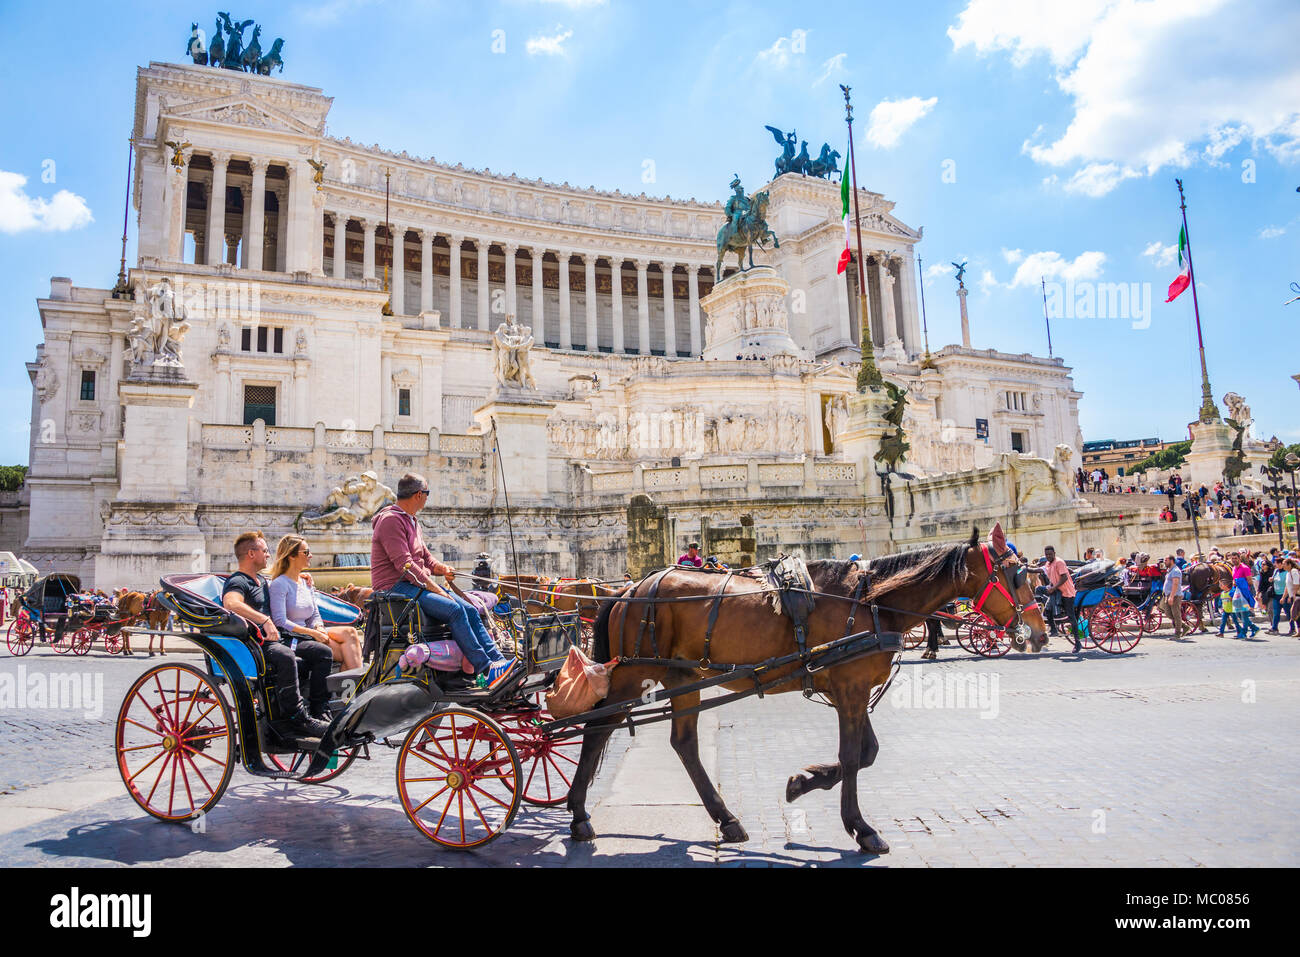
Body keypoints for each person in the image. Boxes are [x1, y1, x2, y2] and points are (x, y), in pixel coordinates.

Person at [371, 472, 518, 690]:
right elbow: (406, 566)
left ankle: (498, 662)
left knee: (468, 608)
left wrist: (442, 569)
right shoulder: (391, 521)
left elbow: (425, 558)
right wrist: (436, 589)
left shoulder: (411, 521)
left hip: (412, 585)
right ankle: (485, 669)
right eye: (427, 493)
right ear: (419, 494)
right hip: (397, 587)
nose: (427, 498)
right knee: (454, 610)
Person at [221, 531, 332, 736]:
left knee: (321, 653)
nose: (269, 555)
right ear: (251, 554)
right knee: (286, 656)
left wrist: (301, 576)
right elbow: (231, 603)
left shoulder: (260, 581)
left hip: (275, 639)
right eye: (265, 551)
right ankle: (296, 718)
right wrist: (264, 620)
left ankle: (319, 708)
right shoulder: (238, 581)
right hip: (254, 644)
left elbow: (284, 583)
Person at [269, 535, 362, 671]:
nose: (311, 555)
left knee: (351, 632)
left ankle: (352, 687)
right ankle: (355, 688)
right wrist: (313, 633)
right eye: (306, 552)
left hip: (310, 632)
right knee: (348, 653)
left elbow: (314, 615)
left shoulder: (305, 582)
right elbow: (280, 621)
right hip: (294, 637)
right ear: (291, 556)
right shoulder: (279, 584)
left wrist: (318, 627)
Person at [1041, 545, 1079, 652]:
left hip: (1066, 592)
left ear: (1054, 553)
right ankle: (1054, 630)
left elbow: (1064, 577)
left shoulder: (1059, 562)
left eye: (1050, 554)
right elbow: (1042, 571)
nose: (1048, 556)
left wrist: (1053, 588)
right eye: (1047, 554)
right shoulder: (1048, 564)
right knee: (1047, 610)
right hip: (1057, 592)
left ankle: (1077, 642)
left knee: (1071, 617)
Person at [1161, 556, 1185, 640]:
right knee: (1168, 613)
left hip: (1175, 595)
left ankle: (1177, 634)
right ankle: (1184, 626)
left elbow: (1175, 584)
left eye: (1166, 560)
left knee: (1176, 614)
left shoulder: (1175, 571)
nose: (1164, 562)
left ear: (1172, 561)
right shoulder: (1170, 571)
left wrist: (1171, 596)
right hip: (1168, 595)